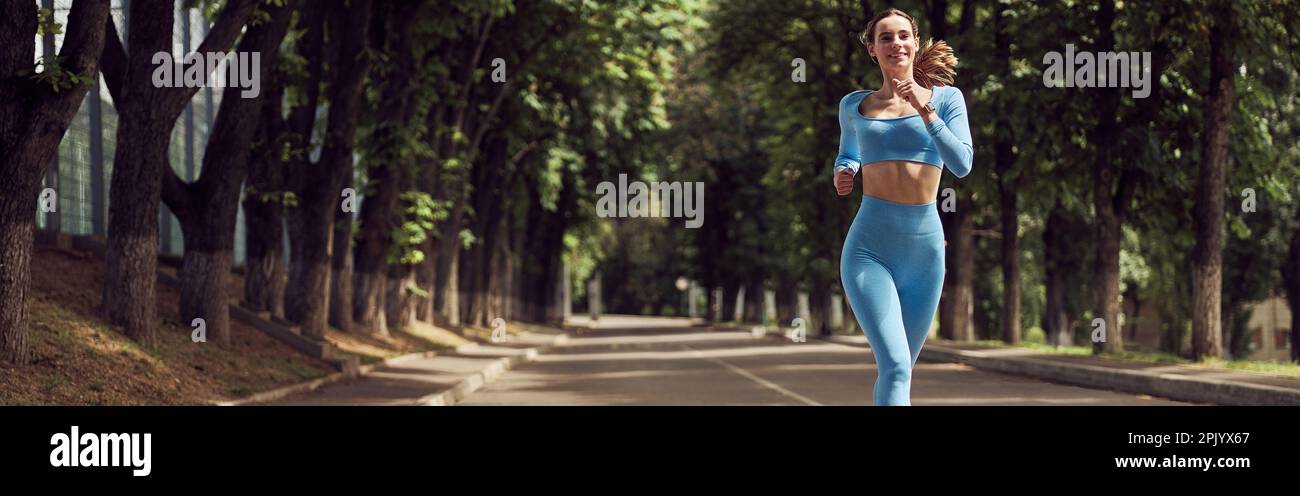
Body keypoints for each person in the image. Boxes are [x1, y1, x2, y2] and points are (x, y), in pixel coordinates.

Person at [834, 8, 973, 406]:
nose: (895, 43)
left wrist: (924, 109)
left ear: (914, 43)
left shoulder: (947, 100)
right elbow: (848, 153)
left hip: (924, 252)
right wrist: (843, 171)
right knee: (894, 364)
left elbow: (962, 164)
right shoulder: (853, 106)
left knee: (899, 372)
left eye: (902, 36)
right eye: (885, 38)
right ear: (872, 49)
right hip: (869, 248)